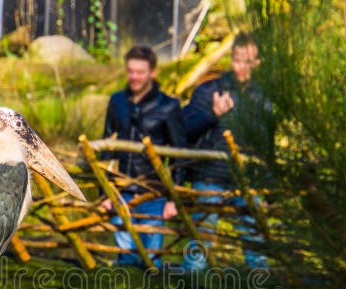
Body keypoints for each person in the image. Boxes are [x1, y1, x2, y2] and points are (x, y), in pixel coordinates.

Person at [181, 33, 274, 271]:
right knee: (200, 245)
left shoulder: (263, 98)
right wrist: (212, 115)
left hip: (247, 180)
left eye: (247, 61)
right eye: (237, 60)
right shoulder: (208, 91)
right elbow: (183, 131)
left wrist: (268, 187)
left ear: (257, 63)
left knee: (255, 246)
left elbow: (267, 147)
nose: (241, 67)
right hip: (210, 177)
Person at [100, 45, 187, 268]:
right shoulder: (117, 101)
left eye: (140, 72)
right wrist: (105, 192)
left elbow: (179, 154)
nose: (134, 77)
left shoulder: (169, 106)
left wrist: (172, 199)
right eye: (130, 71)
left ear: (153, 72)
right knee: (126, 256)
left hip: (153, 193)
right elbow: (106, 146)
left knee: (152, 257)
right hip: (121, 190)